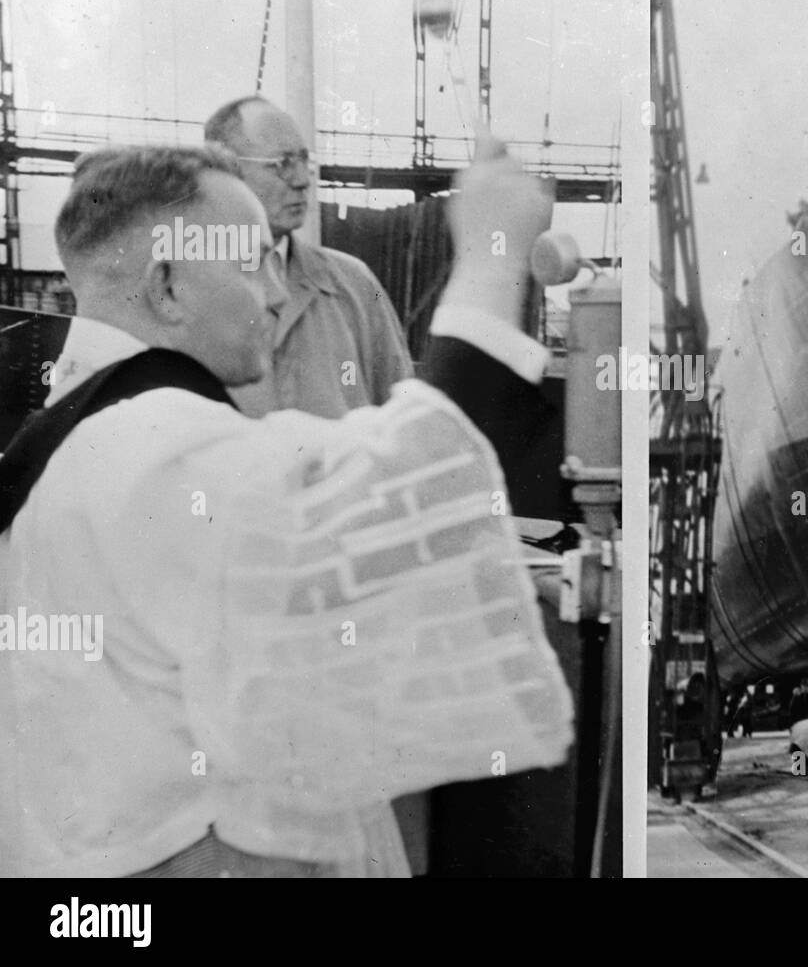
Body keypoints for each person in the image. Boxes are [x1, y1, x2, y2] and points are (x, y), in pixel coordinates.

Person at [0, 135, 571, 877]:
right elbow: (401, 485)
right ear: (168, 285)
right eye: (252, 261)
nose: (275, 292)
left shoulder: (69, 441)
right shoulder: (148, 447)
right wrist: (494, 263)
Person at [203, 97, 414, 419]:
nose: (303, 180)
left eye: (304, 160)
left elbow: (402, 417)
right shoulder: (183, 288)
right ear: (225, 170)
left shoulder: (353, 283)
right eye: (282, 164)